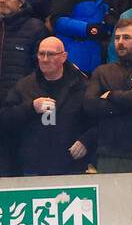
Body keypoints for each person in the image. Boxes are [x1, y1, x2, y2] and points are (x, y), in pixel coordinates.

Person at [0, 35, 91, 176]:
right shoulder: (24, 86)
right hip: (33, 167)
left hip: (72, 167)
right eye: (41, 54)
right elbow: (5, 118)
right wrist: (31, 108)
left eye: (51, 54)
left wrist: (87, 140)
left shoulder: (82, 86)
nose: (45, 59)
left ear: (64, 56)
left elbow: (97, 121)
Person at [84, 19, 132, 173]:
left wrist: (110, 95)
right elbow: (90, 106)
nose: (120, 42)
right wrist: (130, 98)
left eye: (126, 37)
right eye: (117, 37)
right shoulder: (102, 71)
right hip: (108, 153)